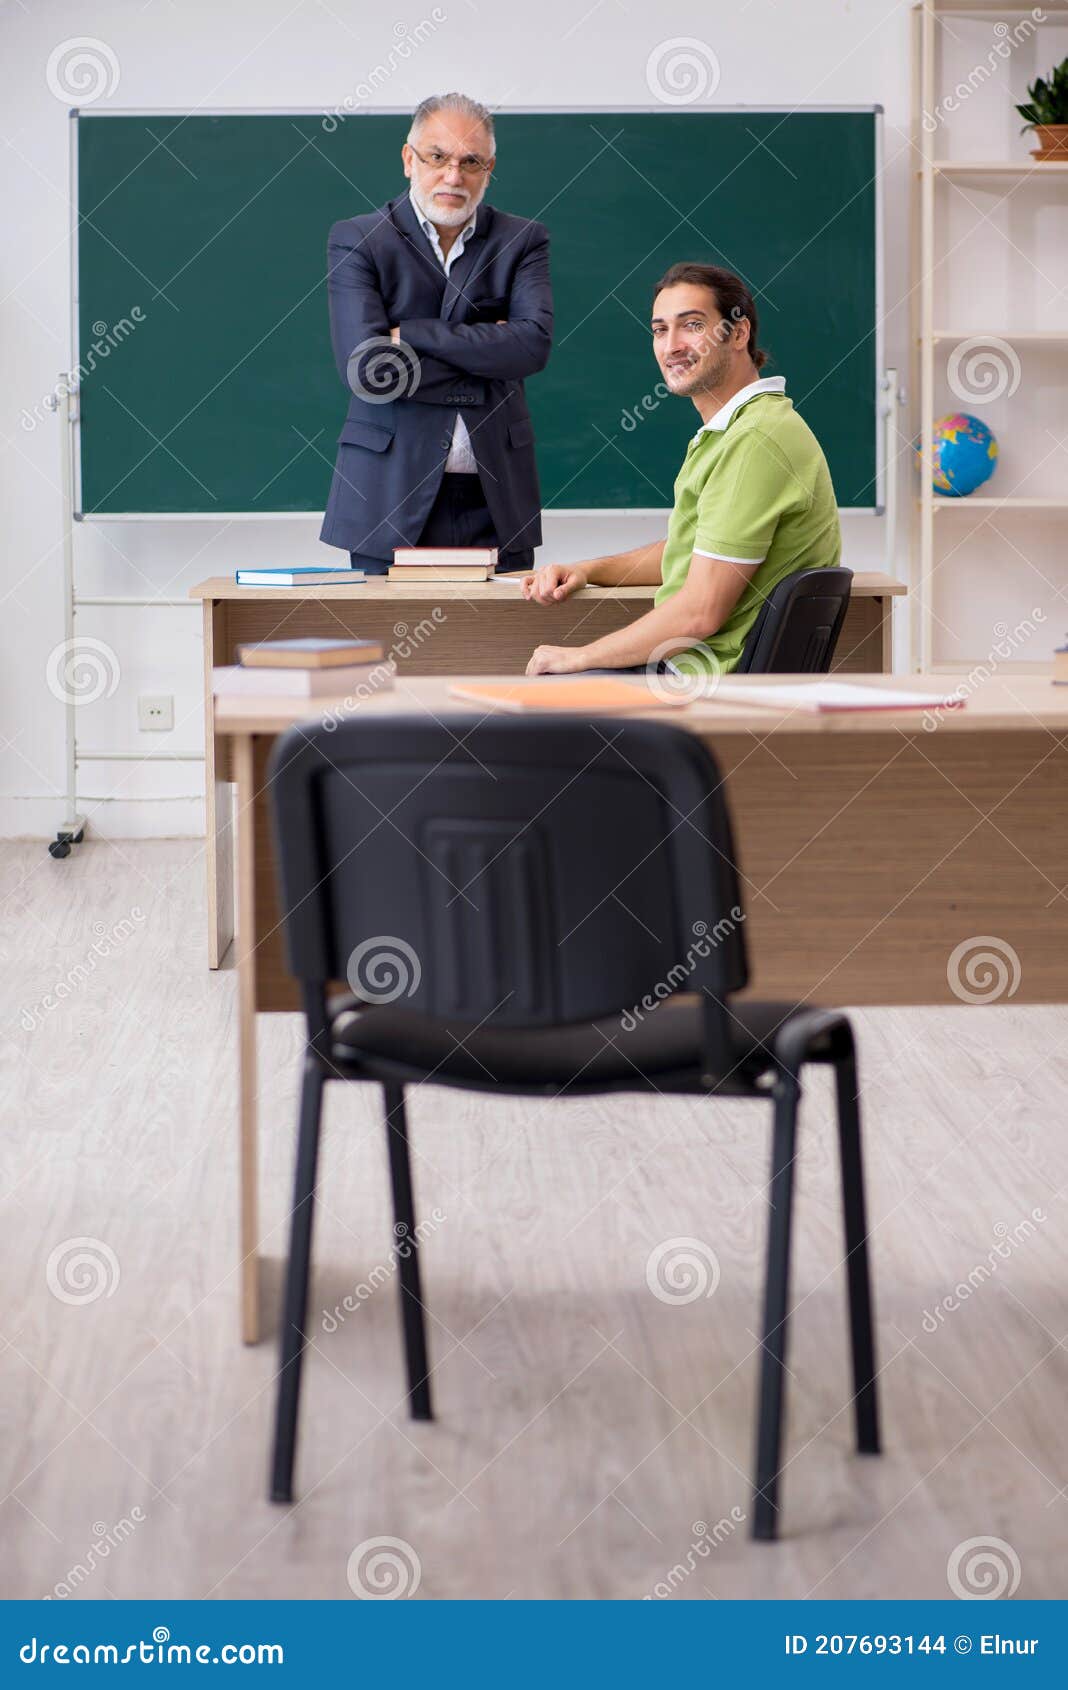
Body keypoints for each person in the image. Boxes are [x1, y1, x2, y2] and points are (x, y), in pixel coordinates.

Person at [521, 262, 840, 675]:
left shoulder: (755, 440)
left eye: (691, 325)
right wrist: (588, 569)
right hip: (693, 671)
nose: (671, 345)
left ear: (738, 333)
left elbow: (700, 614)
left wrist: (577, 656)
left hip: (700, 681)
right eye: (659, 330)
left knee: (535, 696)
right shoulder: (738, 429)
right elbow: (693, 554)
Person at [319, 92, 553, 574]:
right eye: (438, 157)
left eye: (471, 162)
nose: (453, 176)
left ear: (489, 168)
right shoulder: (358, 239)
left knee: (497, 648)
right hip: (386, 496)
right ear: (409, 159)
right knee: (387, 649)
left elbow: (531, 347)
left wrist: (414, 335)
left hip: (497, 498)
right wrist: (489, 348)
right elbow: (369, 370)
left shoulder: (523, 240)